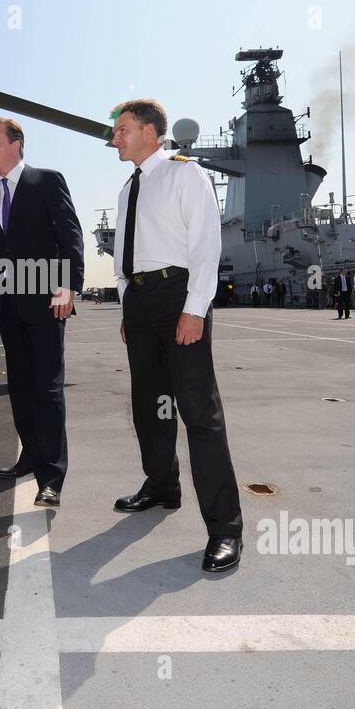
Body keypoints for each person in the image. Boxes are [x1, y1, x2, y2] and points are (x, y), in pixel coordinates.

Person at [108, 100, 243, 574]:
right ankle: (162, 485)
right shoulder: (129, 189)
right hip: (141, 303)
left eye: (123, 129)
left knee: (199, 413)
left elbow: (206, 245)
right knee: (149, 405)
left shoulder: (185, 175)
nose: (115, 137)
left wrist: (194, 308)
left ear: (150, 131)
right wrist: (127, 305)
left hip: (176, 295)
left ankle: (225, 529)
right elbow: (125, 256)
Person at [0, 117, 84, 507]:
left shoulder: (47, 181)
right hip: (9, 303)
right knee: (20, 387)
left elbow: (70, 235)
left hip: (45, 302)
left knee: (47, 388)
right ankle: (29, 456)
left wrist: (69, 285)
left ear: (16, 144)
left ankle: (52, 474)